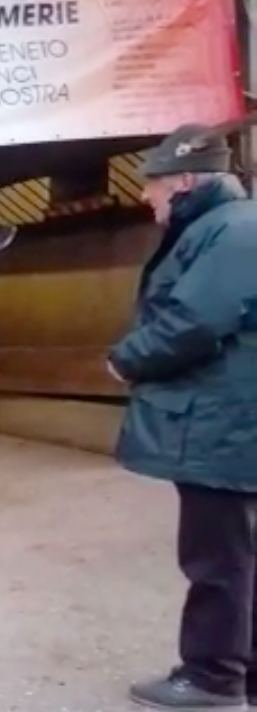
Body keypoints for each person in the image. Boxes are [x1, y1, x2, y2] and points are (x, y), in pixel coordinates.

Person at [106, 120, 257, 711]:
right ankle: (240, 671)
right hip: (227, 417)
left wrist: (127, 360)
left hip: (224, 422)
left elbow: (195, 319)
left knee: (216, 554)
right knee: (238, 550)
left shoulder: (235, 232)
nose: (146, 195)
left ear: (187, 180)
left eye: (156, 185)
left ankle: (213, 677)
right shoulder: (227, 229)